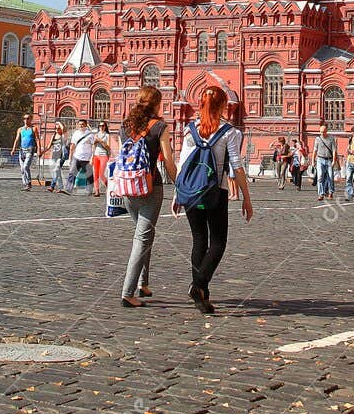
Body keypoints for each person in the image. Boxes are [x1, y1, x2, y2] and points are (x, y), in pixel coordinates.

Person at [174, 85, 254, 313]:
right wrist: (246, 197)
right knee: (218, 242)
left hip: (190, 191)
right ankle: (198, 285)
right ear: (222, 107)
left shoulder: (190, 130)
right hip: (215, 192)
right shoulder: (230, 132)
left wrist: (177, 194)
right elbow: (237, 167)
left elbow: (183, 164)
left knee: (199, 241)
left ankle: (202, 296)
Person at [116, 88, 170, 308]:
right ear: (156, 104)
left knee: (144, 234)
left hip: (128, 187)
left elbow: (121, 156)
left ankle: (142, 284)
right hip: (150, 188)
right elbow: (168, 160)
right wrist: (179, 185)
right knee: (142, 239)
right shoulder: (159, 126)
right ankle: (128, 293)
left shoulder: (125, 126)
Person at [69, 118, 98, 193]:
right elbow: (72, 145)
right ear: (78, 125)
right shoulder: (76, 133)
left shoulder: (90, 134)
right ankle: (69, 188)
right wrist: (70, 156)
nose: (81, 126)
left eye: (83, 124)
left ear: (86, 125)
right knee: (72, 173)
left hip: (87, 158)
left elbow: (93, 145)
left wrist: (92, 156)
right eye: (80, 124)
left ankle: (89, 190)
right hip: (76, 156)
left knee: (89, 174)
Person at [12, 114, 38, 189]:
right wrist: (13, 149)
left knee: (26, 166)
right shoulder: (20, 129)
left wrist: (39, 150)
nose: (26, 120)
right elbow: (17, 139)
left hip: (30, 149)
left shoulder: (34, 129)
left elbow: (37, 139)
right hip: (22, 150)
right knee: (22, 169)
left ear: (30, 119)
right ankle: (25, 183)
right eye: (24, 118)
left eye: (28, 118)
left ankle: (29, 183)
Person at [312, 126, 337, 201]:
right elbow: (315, 150)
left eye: (323, 131)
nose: (322, 133)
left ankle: (330, 192)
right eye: (321, 132)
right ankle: (321, 194)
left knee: (330, 177)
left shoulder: (331, 138)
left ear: (326, 131)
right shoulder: (318, 139)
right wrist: (313, 161)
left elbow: (334, 150)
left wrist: (334, 161)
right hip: (320, 159)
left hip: (329, 160)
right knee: (320, 177)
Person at [91, 122, 111, 198]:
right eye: (100, 126)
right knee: (95, 174)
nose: (101, 127)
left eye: (103, 126)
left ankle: (108, 185)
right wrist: (91, 157)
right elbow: (93, 146)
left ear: (105, 127)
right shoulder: (96, 135)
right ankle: (97, 191)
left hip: (104, 155)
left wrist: (101, 141)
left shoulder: (107, 135)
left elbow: (108, 147)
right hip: (96, 155)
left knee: (101, 174)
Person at [48, 126, 69, 191]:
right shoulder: (53, 136)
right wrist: (41, 152)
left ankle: (52, 186)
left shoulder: (63, 136)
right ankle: (61, 187)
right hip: (54, 156)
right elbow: (49, 146)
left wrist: (59, 122)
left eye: (58, 128)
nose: (57, 130)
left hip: (61, 156)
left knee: (56, 170)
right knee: (58, 172)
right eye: (56, 128)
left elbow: (64, 129)